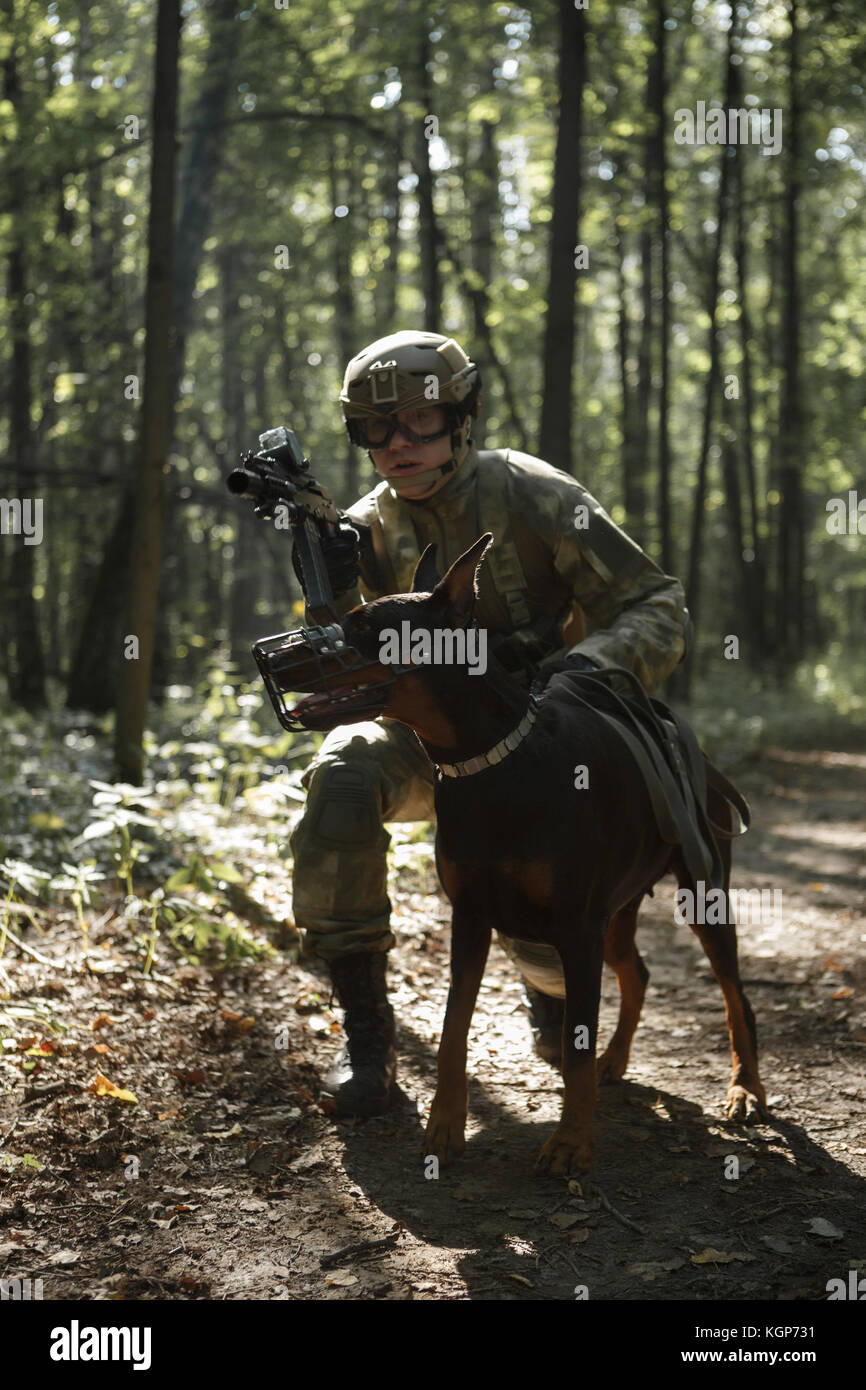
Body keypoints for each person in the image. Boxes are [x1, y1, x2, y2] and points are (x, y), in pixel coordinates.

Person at [289, 329, 688, 1116]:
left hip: (545, 742)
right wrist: (324, 589)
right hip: (427, 740)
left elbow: (654, 603)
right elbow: (343, 670)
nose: (398, 441)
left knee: (548, 942)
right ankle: (367, 1039)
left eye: (420, 420)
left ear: (461, 417)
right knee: (341, 778)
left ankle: (548, 991)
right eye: (376, 426)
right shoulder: (361, 529)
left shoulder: (530, 493)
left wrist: (576, 675)